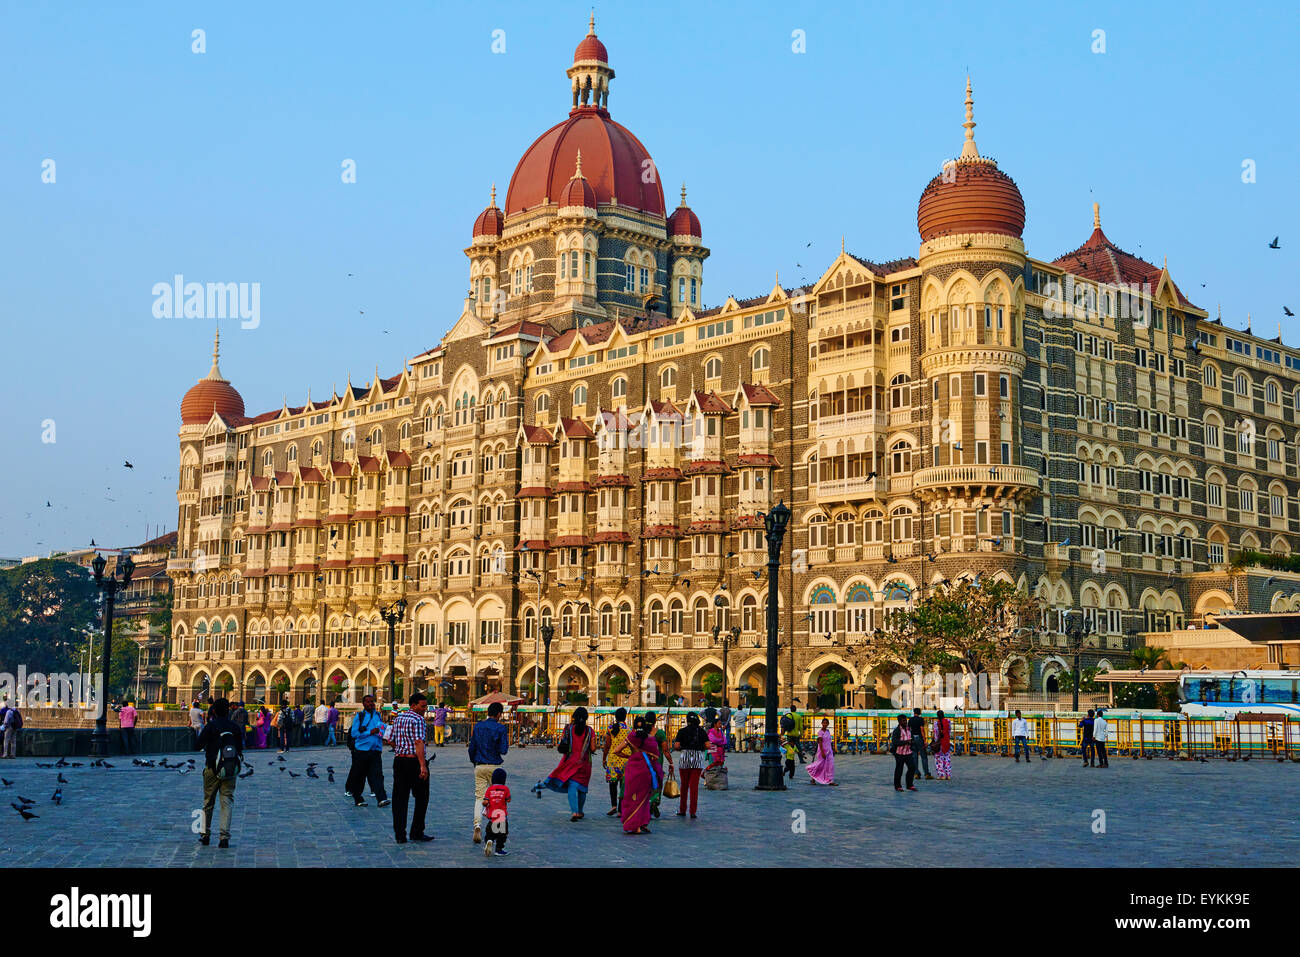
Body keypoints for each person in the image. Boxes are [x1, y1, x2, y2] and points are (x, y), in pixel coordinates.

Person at [196, 697, 244, 848]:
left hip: (212, 767)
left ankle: (205, 835)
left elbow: (197, 745)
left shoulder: (211, 726)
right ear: (228, 710)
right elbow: (240, 748)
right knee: (227, 802)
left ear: (214, 711)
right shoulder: (234, 727)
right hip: (230, 769)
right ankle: (224, 837)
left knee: (208, 802)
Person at [535, 706, 596, 821]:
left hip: (570, 761)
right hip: (585, 763)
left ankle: (574, 812)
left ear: (574, 717)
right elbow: (593, 749)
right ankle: (580, 811)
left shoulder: (568, 728)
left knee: (572, 786)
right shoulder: (590, 731)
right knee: (582, 788)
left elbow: (563, 742)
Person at [390, 693, 433, 844]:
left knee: (399, 799)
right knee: (422, 797)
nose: (424, 709)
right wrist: (422, 765)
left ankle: (400, 834)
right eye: (422, 706)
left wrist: (400, 750)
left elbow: (390, 740)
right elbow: (419, 742)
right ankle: (416, 831)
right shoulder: (418, 719)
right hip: (414, 762)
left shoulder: (398, 718)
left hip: (399, 761)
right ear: (413, 705)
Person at [468, 701, 509, 843]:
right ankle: (496, 831)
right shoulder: (500, 728)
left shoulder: (478, 726)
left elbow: (471, 747)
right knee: (498, 798)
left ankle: (477, 824)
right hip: (495, 767)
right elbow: (503, 750)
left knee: (480, 797)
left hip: (479, 765)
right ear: (498, 714)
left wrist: (474, 762)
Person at [618, 714, 663, 834]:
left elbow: (617, 750)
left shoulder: (631, 737)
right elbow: (656, 756)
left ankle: (634, 825)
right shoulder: (650, 739)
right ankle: (642, 823)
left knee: (631, 797)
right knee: (644, 798)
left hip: (632, 770)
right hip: (646, 771)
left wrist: (629, 756)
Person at [345, 695, 390, 808]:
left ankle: (382, 798)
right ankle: (358, 798)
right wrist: (370, 732)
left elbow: (379, 730)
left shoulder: (378, 715)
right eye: (368, 702)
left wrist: (383, 734)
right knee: (360, 776)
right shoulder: (359, 717)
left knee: (378, 775)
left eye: (372, 701)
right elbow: (354, 733)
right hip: (362, 751)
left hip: (375, 750)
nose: (370, 704)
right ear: (363, 704)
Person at [672, 711, 710, 818]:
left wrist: (682, 746)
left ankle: (682, 810)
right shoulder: (701, 731)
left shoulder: (682, 731)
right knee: (694, 787)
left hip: (685, 759)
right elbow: (707, 745)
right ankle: (693, 812)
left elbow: (677, 745)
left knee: (684, 786)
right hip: (697, 760)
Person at [601, 707, 630, 815]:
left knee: (612, 783)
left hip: (613, 759)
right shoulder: (629, 729)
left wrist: (604, 759)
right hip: (625, 759)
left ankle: (613, 805)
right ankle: (620, 810)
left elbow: (607, 746)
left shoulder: (610, 728)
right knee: (623, 785)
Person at [482, 768, 510, 856]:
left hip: (492, 815)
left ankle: (489, 840)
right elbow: (508, 800)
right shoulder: (505, 789)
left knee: (491, 830)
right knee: (502, 833)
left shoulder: (489, 789)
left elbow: (485, 802)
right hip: (501, 815)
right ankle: (499, 849)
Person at [889, 713, 916, 791]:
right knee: (899, 770)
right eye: (903, 721)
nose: (905, 722)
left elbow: (912, 739)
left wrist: (912, 742)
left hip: (908, 752)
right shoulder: (897, 731)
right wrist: (905, 742)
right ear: (899, 722)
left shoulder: (909, 729)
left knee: (912, 768)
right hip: (899, 753)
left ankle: (909, 785)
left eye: (906, 720)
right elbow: (894, 741)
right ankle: (898, 786)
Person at [806, 717, 837, 785]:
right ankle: (813, 778)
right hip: (822, 751)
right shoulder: (820, 732)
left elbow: (829, 741)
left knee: (830, 766)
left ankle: (830, 780)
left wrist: (833, 749)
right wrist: (822, 752)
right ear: (822, 724)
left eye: (826, 723)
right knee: (820, 765)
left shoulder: (828, 731)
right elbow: (820, 743)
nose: (825, 724)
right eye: (824, 723)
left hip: (829, 751)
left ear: (828, 724)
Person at [910, 708, 932, 780]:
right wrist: (925, 739)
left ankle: (916, 773)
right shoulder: (920, 719)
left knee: (914, 757)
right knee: (923, 756)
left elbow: (909, 730)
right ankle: (926, 774)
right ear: (919, 713)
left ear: (914, 712)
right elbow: (922, 729)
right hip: (919, 738)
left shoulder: (910, 719)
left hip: (912, 739)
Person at [932, 709, 952, 780]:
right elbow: (949, 731)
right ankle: (948, 775)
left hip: (939, 743)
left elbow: (936, 735)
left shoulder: (936, 723)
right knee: (947, 759)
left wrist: (935, 741)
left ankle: (941, 775)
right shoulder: (948, 721)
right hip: (946, 742)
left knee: (939, 760)